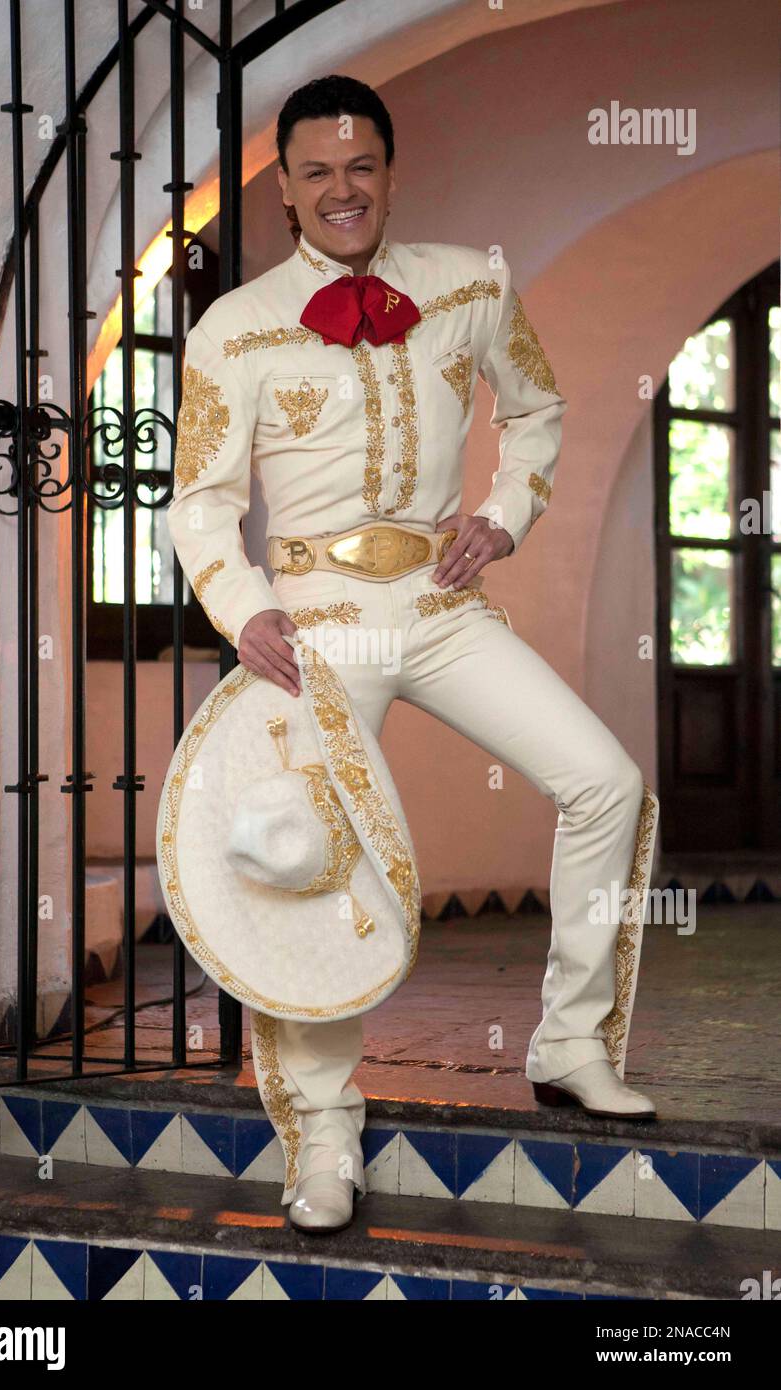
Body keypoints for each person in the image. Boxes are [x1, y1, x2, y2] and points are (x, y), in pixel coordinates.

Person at [167, 74, 659, 1234]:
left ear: (391, 170)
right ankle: (323, 1138)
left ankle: (571, 1042)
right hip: (318, 618)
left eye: (362, 166)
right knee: (319, 861)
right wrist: (245, 609)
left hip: (438, 601)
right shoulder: (231, 328)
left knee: (609, 784)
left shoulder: (471, 282)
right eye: (317, 171)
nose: (343, 189)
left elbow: (538, 407)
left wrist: (509, 510)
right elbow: (197, 503)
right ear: (284, 185)